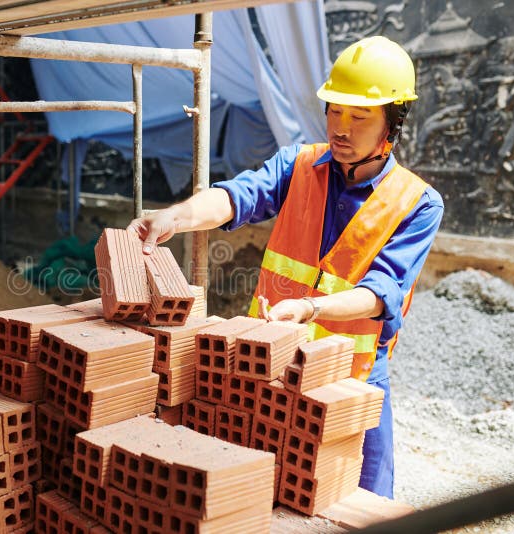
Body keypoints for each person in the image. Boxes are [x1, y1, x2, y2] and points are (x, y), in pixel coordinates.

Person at [127, 36, 444, 499]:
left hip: (352, 381)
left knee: (364, 500)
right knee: (260, 498)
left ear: (392, 123)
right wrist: (175, 216)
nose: (341, 127)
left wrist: (309, 310)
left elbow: (381, 293)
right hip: (269, 365)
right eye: (335, 110)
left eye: (359, 117)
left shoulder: (418, 203)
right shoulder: (299, 164)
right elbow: (237, 196)